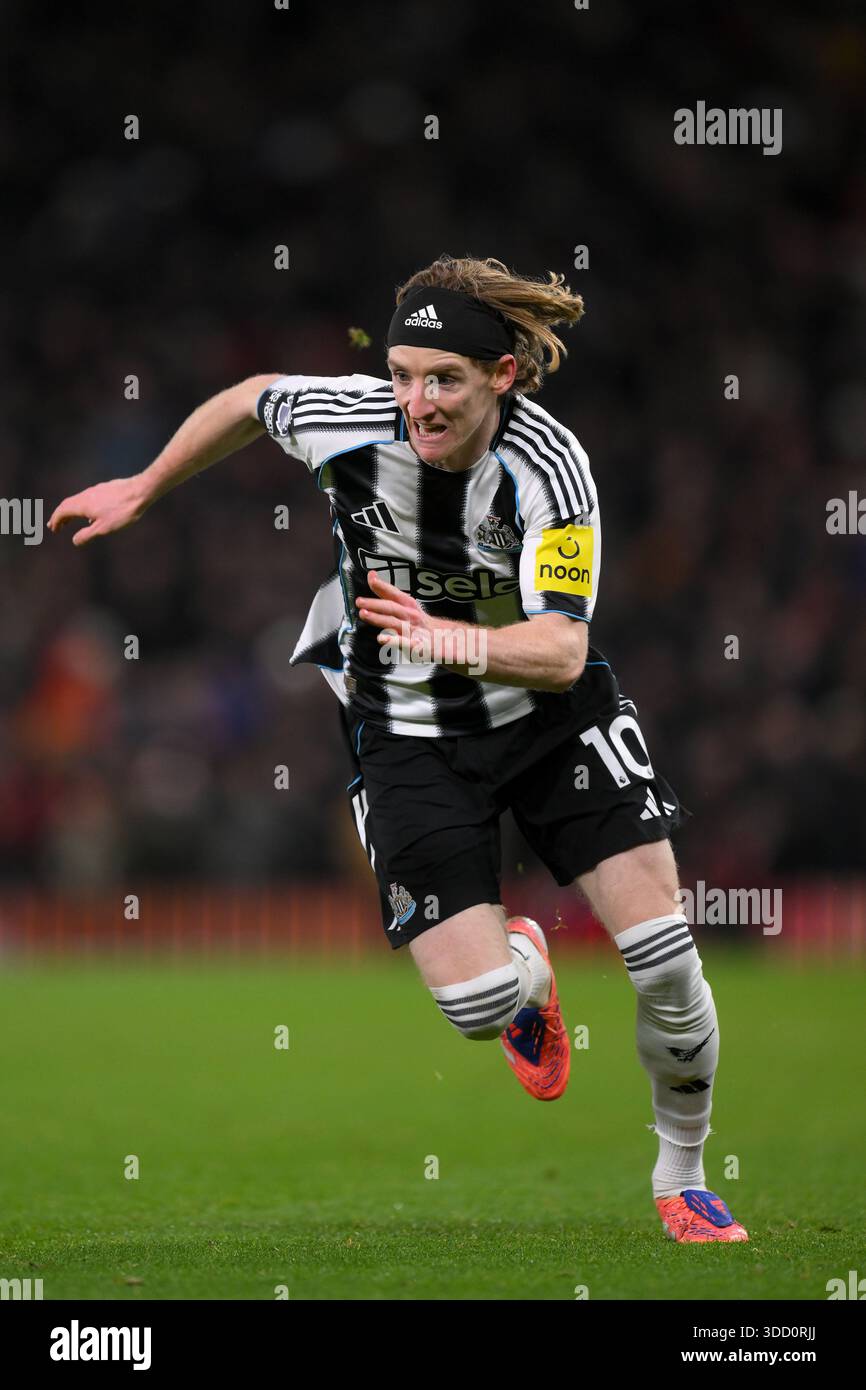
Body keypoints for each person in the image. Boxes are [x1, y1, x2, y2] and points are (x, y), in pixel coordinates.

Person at [49, 253, 748, 1243]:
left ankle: (681, 1172)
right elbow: (253, 398)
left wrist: (450, 636)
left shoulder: (549, 468)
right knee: (474, 1007)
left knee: (664, 957)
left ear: (501, 375)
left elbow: (560, 649)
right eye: (402, 373)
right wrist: (147, 485)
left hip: (549, 721)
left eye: (444, 379)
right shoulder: (350, 415)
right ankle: (524, 972)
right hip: (408, 735)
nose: (416, 400)